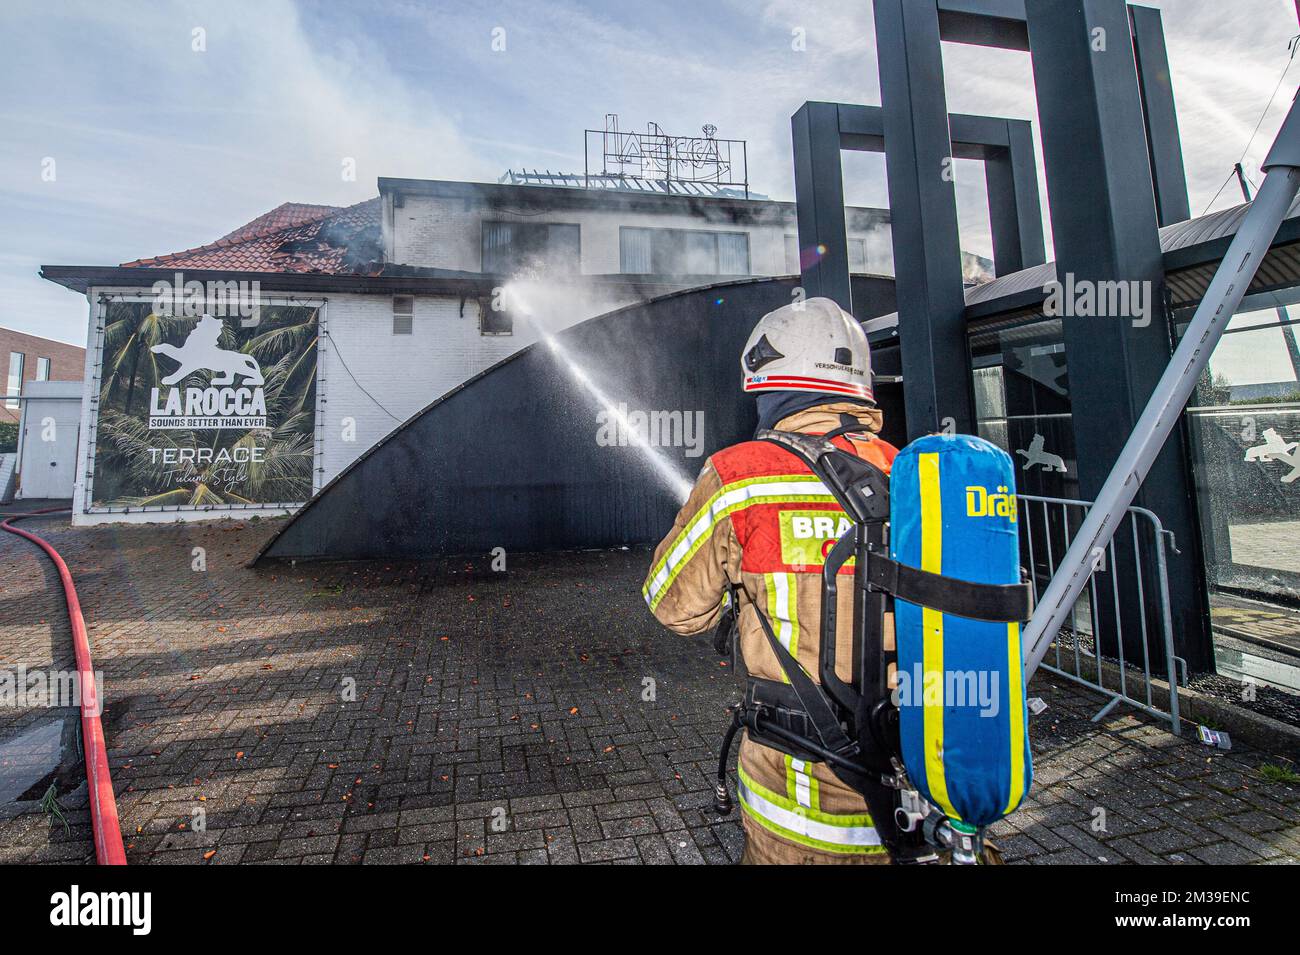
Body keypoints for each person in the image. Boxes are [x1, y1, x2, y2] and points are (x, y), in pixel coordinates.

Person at [642, 297, 899, 864]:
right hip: (922, 795)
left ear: (772, 387)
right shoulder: (914, 472)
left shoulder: (740, 474)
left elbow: (672, 604)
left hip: (801, 801)